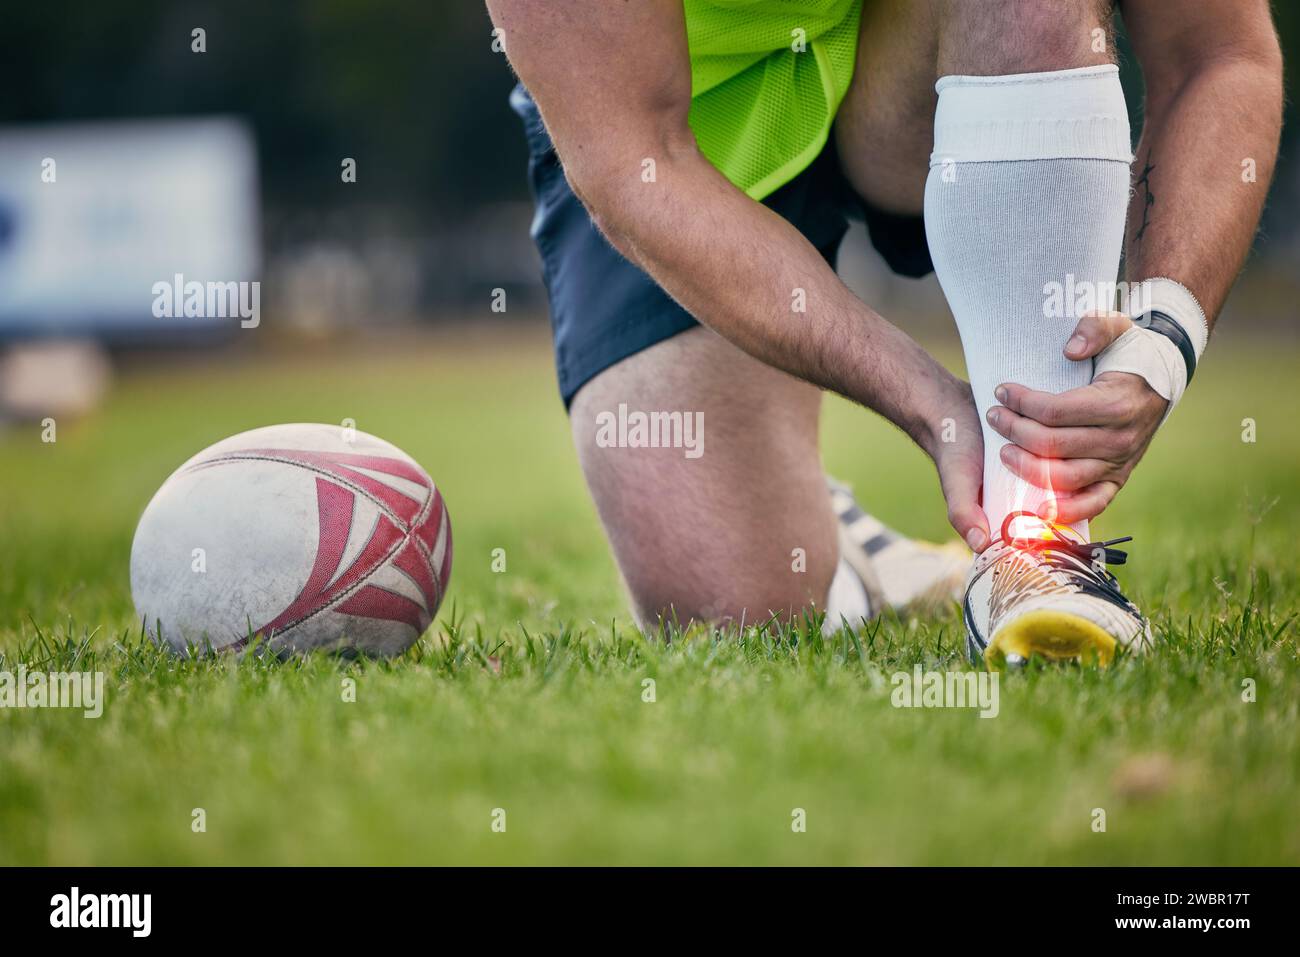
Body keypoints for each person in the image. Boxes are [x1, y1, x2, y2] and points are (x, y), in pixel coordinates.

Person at [488, 0, 1283, 666]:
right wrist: (929, 403)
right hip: (677, 128)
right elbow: (633, 163)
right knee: (734, 603)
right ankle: (867, 551)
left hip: (905, 60)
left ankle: (1040, 547)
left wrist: (1162, 336)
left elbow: (1219, 53)